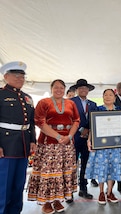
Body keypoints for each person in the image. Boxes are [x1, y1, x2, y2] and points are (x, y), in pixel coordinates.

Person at [27, 79, 80, 214]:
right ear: (51, 88)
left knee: (62, 172)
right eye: (56, 87)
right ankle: (46, 202)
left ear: (65, 89)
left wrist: (68, 137)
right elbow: (39, 121)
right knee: (49, 173)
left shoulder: (71, 103)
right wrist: (57, 137)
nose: (59, 90)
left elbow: (76, 120)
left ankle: (57, 200)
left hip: (67, 143)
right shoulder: (44, 102)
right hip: (48, 143)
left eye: (61, 88)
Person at [0, 61, 36, 214]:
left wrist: (33, 140)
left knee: (18, 185)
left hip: (23, 146)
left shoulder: (27, 97)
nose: (20, 79)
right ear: (6, 76)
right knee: (3, 186)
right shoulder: (1, 94)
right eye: (16, 76)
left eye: (22, 76)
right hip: (6, 146)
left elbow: (31, 121)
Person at [85, 89, 121, 205]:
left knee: (113, 168)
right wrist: (89, 140)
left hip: (116, 145)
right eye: (105, 95)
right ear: (102, 97)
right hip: (101, 145)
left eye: (110, 95)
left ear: (114, 97)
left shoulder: (119, 111)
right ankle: (101, 192)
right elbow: (93, 128)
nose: (108, 97)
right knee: (102, 168)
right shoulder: (97, 110)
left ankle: (110, 192)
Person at [70, 79, 98, 200]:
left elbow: (95, 120)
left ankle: (83, 188)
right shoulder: (70, 102)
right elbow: (69, 119)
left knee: (86, 165)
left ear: (88, 90)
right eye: (81, 88)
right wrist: (81, 129)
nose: (83, 90)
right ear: (76, 90)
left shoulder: (93, 104)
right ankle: (69, 192)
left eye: (85, 88)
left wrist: (88, 131)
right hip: (74, 138)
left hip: (88, 139)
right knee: (72, 165)